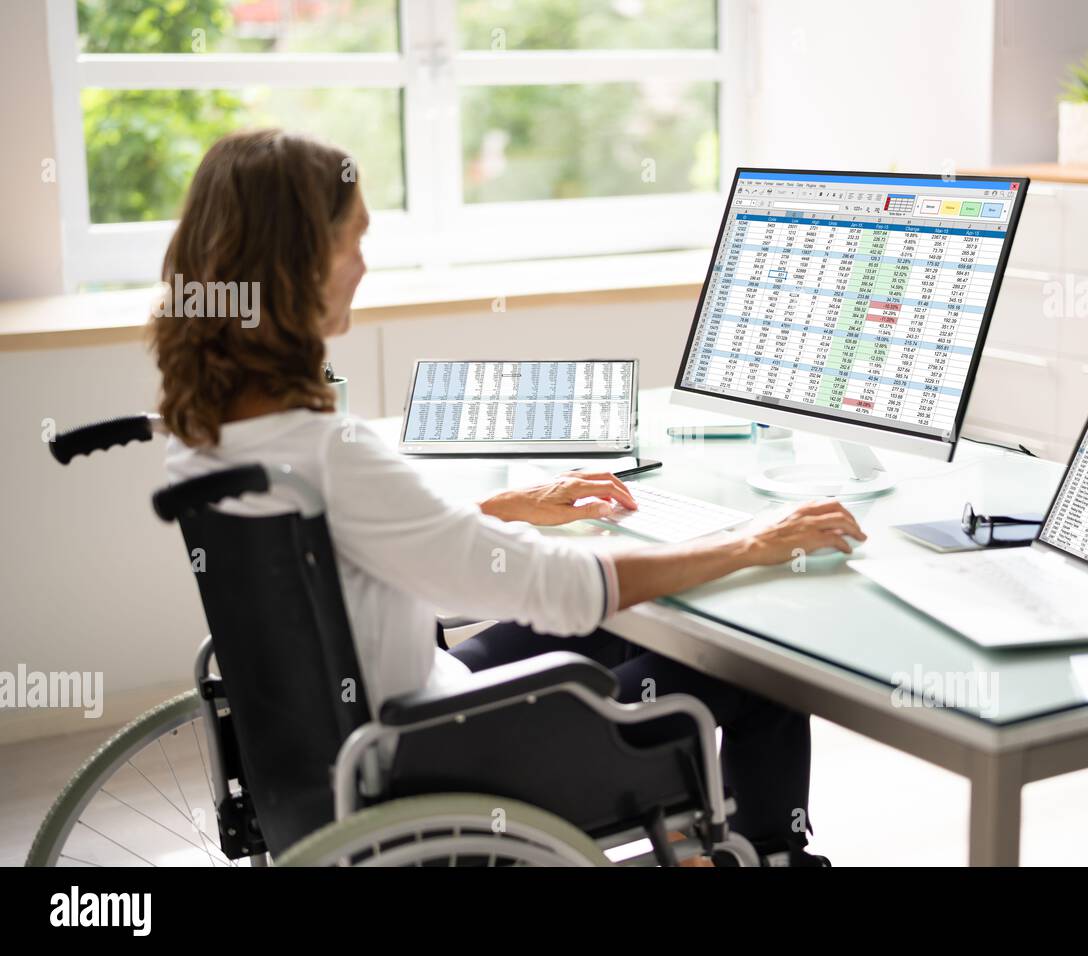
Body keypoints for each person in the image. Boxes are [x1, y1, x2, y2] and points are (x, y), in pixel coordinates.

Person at [152, 129, 866, 866]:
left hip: (362, 742)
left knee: (634, 631)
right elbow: (562, 586)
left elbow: (338, 547)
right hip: (449, 759)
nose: (364, 264)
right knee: (754, 672)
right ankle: (775, 856)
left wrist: (504, 508)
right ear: (294, 261)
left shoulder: (205, 434)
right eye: (352, 240)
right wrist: (752, 541)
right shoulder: (329, 452)